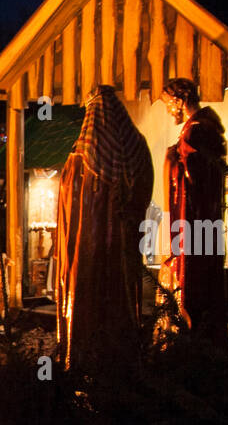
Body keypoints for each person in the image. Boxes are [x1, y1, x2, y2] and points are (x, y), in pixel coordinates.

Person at [54, 84, 154, 371]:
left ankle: (83, 363)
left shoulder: (84, 156)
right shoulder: (137, 148)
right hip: (124, 250)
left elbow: (72, 211)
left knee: (90, 308)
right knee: (121, 301)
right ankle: (125, 359)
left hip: (89, 256)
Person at [161, 77, 228, 350]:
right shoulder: (204, 130)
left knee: (193, 285)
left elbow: (193, 181)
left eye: (168, 103)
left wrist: (172, 160)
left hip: (193, 228)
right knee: (205, 283)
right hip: (205, 226)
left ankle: (195, 347)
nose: (168, 110)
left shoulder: (196, 133)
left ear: (180, 100)